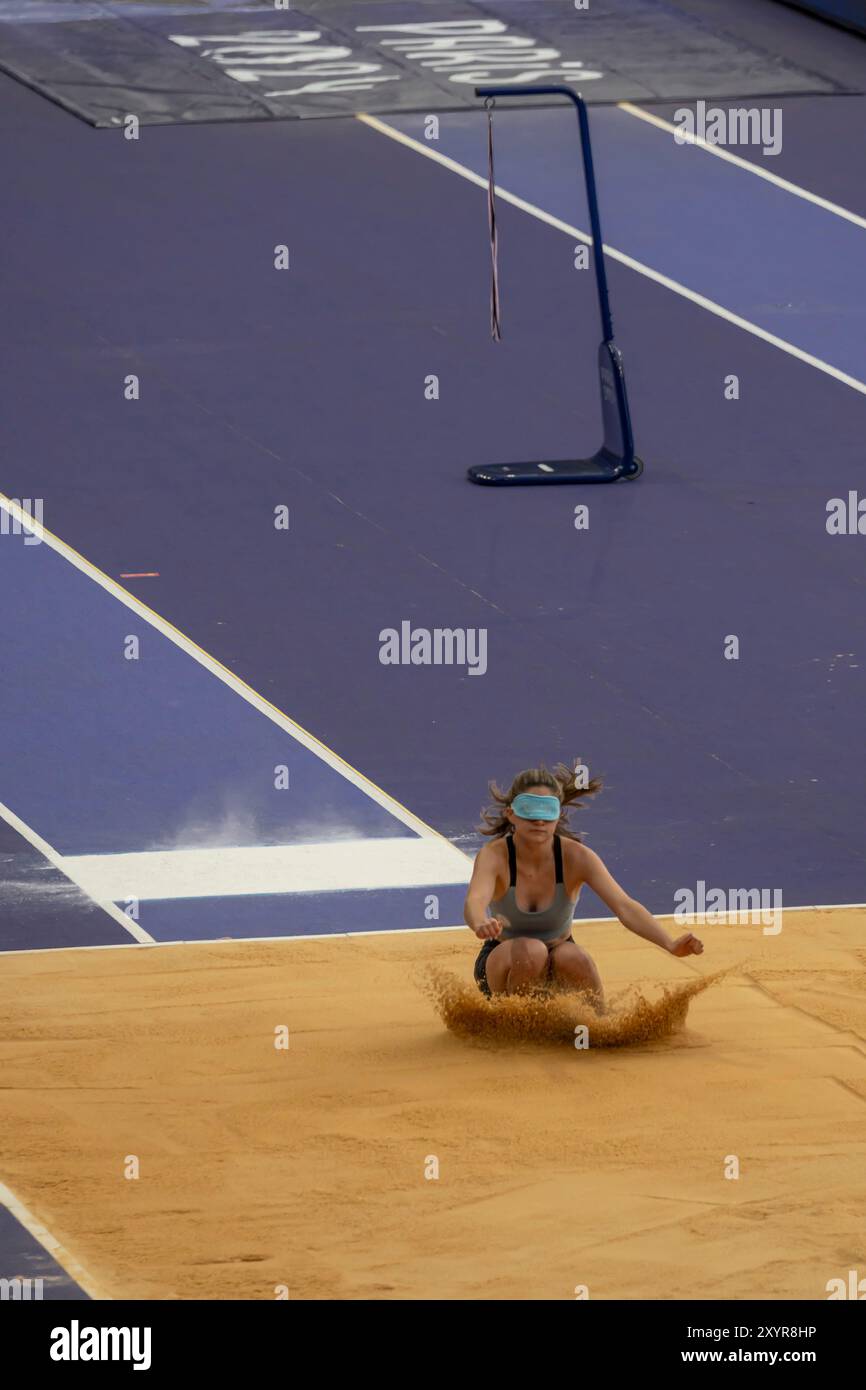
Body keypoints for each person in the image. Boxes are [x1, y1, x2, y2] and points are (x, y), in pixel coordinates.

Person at [464, 762, 703, 1007]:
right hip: (501, 964)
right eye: (529, 810)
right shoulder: (494, 856)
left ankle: (597, 1024)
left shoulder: (578, 857)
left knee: (575, 957)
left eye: (547, 811)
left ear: (558, 814)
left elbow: (624, 906)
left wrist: (670, 943)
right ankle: (517, 1028)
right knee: (532, 950)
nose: (539, 821)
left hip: (557, 959)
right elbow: (475, 900)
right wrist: (480, 921)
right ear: (511, 814)